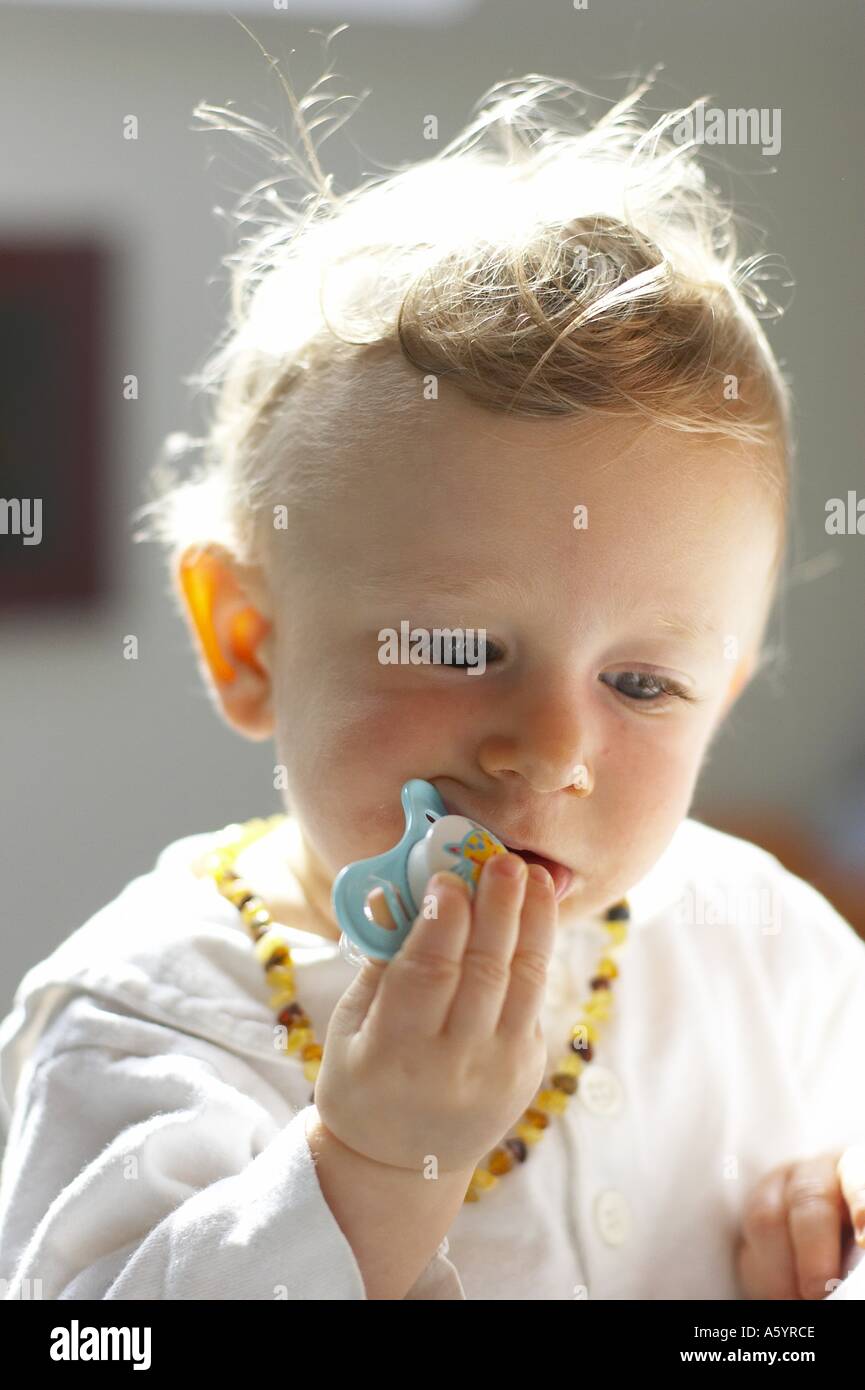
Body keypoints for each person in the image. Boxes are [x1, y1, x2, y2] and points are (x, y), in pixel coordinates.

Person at [2, 66, 864, 1301]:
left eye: (642, 682)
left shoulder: (768, 946)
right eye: (459, 650)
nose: (550, 749)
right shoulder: (151, 1012)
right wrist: (366, 1170)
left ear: (720, 693)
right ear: (249, 640)